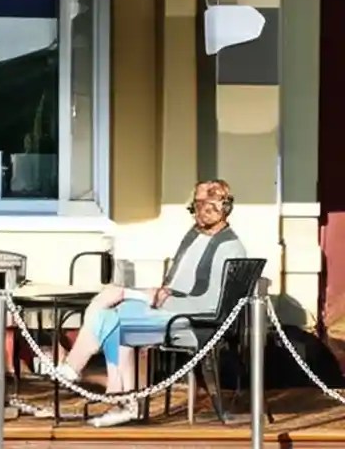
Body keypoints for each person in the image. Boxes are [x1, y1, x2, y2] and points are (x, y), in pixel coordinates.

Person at [53, 179, 247, 427]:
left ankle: (108, 393)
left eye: (206, 205)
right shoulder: (194, 235)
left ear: (224, 207)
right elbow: (178, 284)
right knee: (110, 304)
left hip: (191, 321)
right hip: (170, 307)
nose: (199, 211)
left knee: (114, 319)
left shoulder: (229, 247)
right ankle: (117, 398)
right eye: (195, 205)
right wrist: (158, 295)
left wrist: (164, 301)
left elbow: (211, 305)